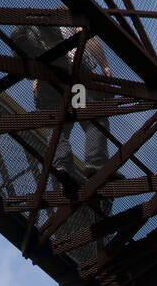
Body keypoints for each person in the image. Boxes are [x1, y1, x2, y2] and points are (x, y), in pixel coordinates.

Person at [10, 10, 112, 194]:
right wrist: (104, 65)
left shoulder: (42, 32)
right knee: (91, 119)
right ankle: (96, 164)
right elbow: (90, 40)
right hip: (75, 83)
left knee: (58, 128)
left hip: (48, 87)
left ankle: (61, 166)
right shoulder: (71, 22)